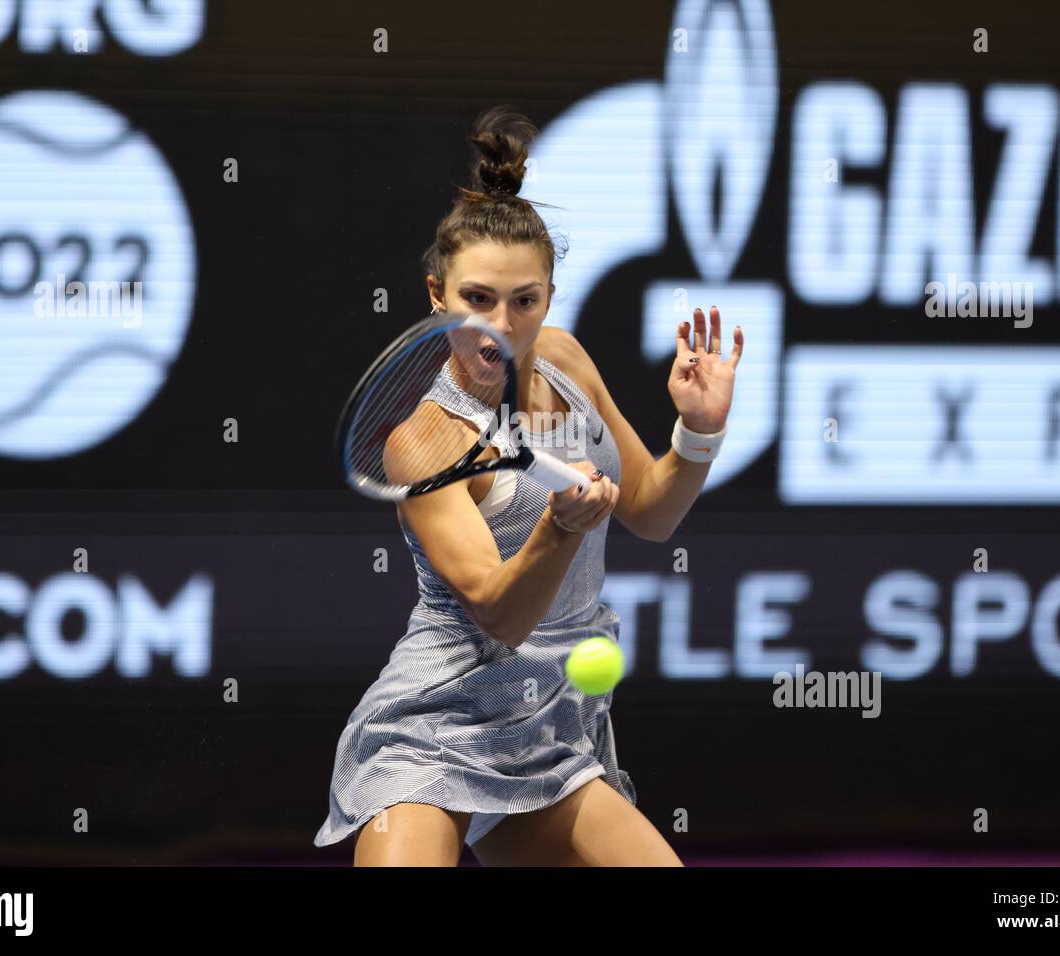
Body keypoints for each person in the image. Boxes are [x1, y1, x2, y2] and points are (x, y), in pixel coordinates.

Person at [313, 105, 742, 865]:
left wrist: (698, 433)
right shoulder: (425, 442)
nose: (500, 325)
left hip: (551, 729)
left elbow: (651, 512)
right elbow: (499, 614)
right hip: (435, 724)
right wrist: (559, 528)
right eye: (476, 299)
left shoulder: (568, 361)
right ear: (436, 295)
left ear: (549, 295)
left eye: (525, 301)